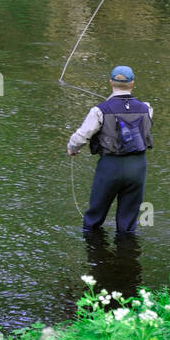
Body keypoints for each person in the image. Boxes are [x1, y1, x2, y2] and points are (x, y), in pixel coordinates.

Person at [66, 65, 153, 234]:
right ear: (133, 84)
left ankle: (95, 254)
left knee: (94, 217)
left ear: (110, 83)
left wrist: (72, 149)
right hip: (137, 167)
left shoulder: (99, 111)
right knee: (128, 223)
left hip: (110, 166)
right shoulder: (147, 109)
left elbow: (81, 136)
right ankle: (126, 254)